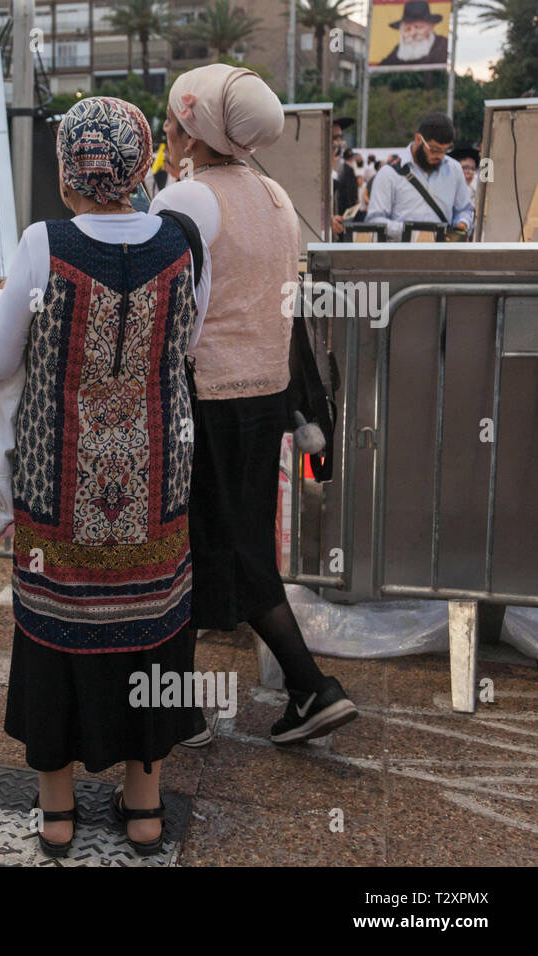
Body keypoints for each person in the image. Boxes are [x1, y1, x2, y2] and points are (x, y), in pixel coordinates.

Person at [0, 96, 210, 858]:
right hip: (154, 482)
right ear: (141, 163)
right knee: (151, 629)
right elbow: (188, 339)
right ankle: (144, 807)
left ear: (69, 166)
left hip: (61, 483)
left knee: (56, 632)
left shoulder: (44, 243)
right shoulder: (181, 240)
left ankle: (57, 811)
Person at [151, 63, 358, 745]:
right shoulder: (272, 195)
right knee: (239, 541)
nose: (171, 131)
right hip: (262, 392)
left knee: (181, 547)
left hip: (200, 394)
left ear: (194, 128)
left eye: (177, 120)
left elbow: (167, 309)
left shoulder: (185, 201)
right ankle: (307, 688)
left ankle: (185, 709)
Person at [365, 112, 473, 240]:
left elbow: (465, 209)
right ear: (418, 139)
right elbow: (374, 221)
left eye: (445, 150)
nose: (440, 156)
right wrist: (414, 233)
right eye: (434, 149)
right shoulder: (389, 174)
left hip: (442, 255)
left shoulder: (454, 169)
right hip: (401, 254)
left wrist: (462, 224)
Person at [378, 1, 449, 67]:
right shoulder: (398, 50)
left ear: (431, 27)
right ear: (402, 32)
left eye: (418, 27)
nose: (413, 33)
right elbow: (380, 71)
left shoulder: (442, 44)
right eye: (407, 29)